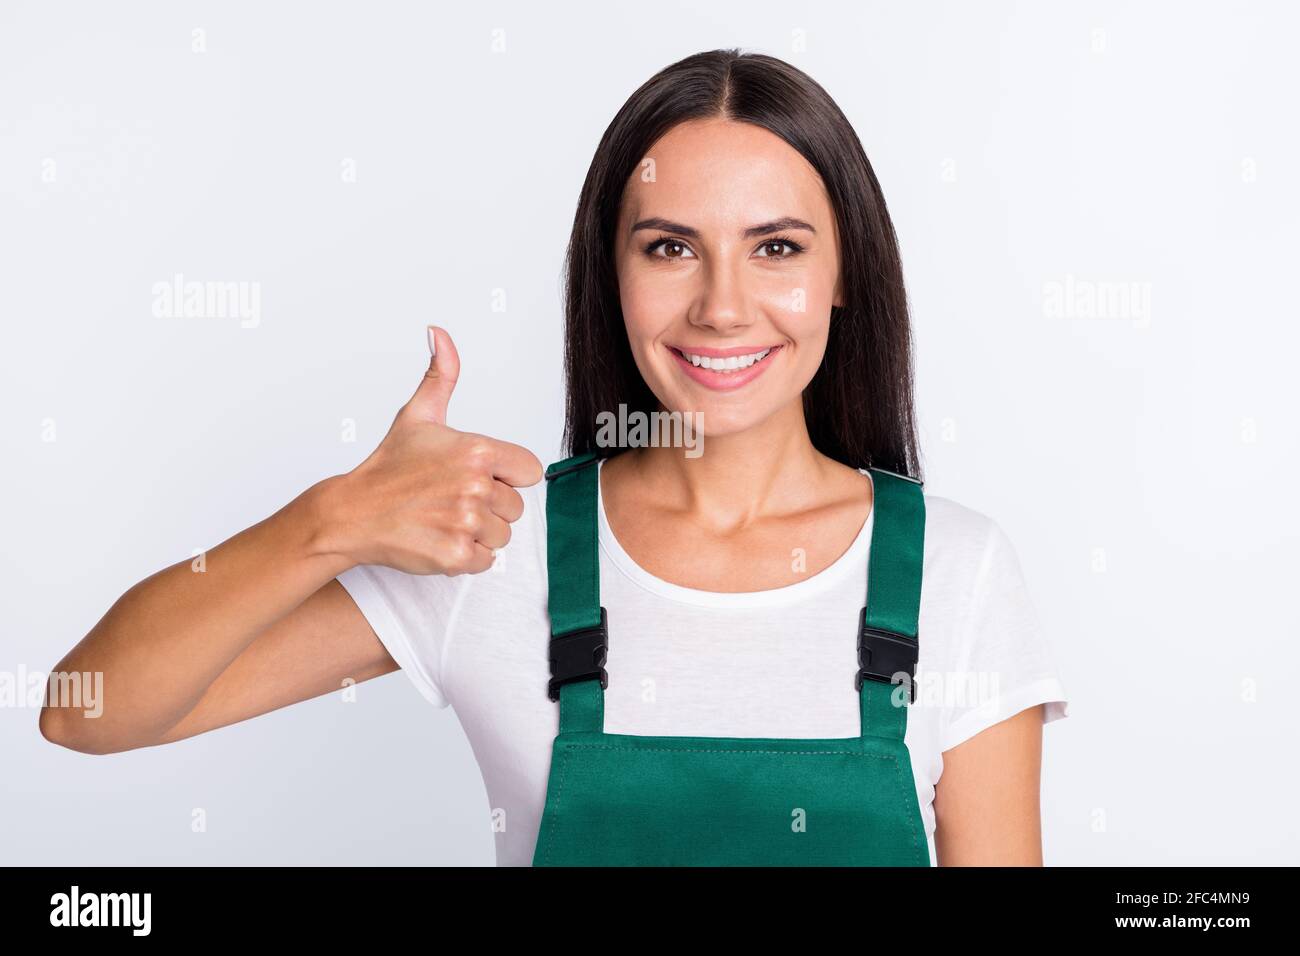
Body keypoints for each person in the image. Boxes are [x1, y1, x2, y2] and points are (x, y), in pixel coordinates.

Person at [41, 48, 1069, 866]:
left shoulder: (955, 571)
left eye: (776, 247)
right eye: (668, 247)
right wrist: (331, 518)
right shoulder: (497, 545)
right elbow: (91, 708)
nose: (720, 304)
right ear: (608, 275)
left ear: (846, 273)